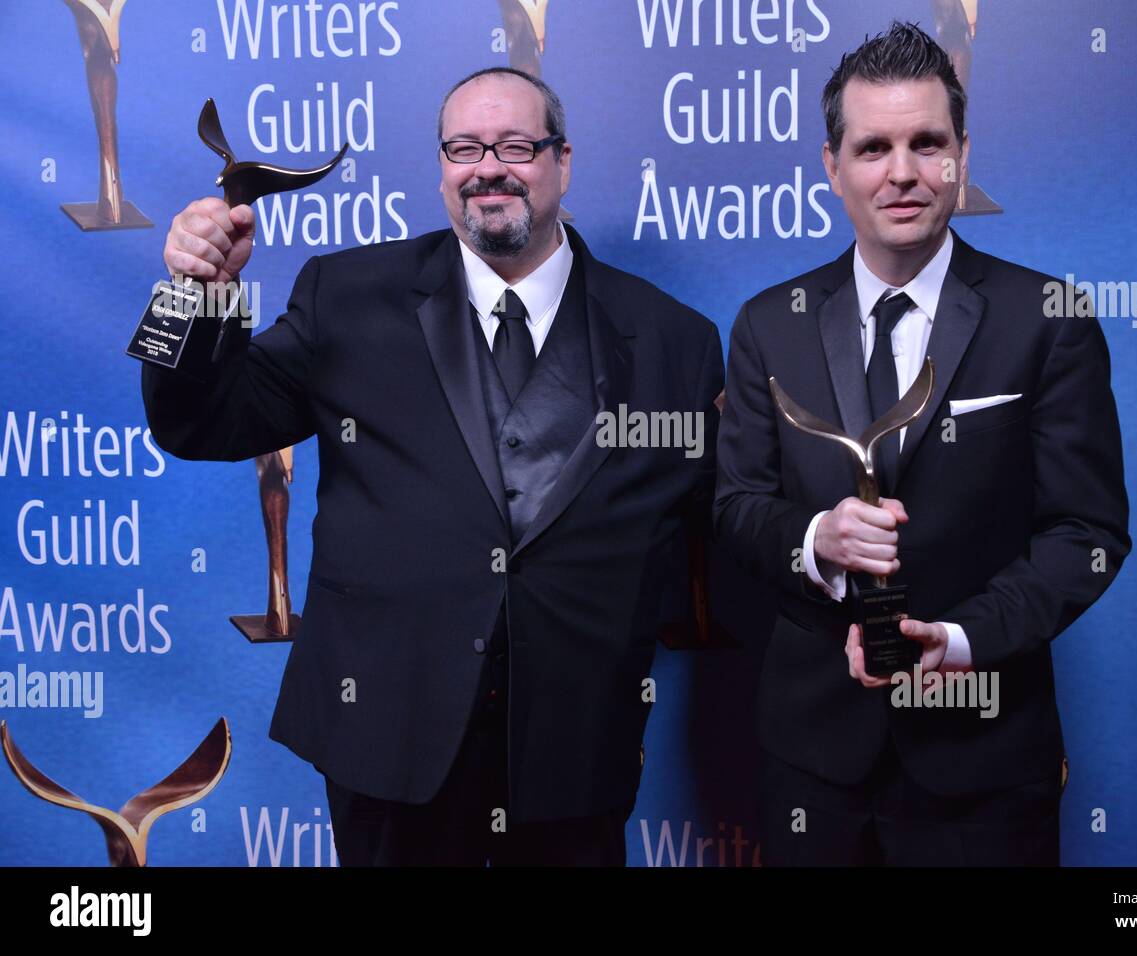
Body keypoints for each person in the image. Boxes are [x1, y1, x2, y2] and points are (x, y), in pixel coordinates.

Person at [141, 66, 723, 866]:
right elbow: (199, 423)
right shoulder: (345, 296)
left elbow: (720, 523)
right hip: (385, 740)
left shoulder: (674, 341)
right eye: (463, 147)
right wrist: (194, 293)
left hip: (574, 754)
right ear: (442, 166)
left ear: (563, 159)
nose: (488, 166)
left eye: (516, 144)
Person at [713, 22, 1131, 866]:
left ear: (962, 156)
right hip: (811, 761)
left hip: (984, 756)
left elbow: (1085, 536)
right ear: (832, 167)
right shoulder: (768, 325)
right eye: (872, 147)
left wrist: (963, 639)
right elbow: (736, 507)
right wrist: (814, 541)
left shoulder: (1048, 321)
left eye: (926, 143)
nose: (901, 172)